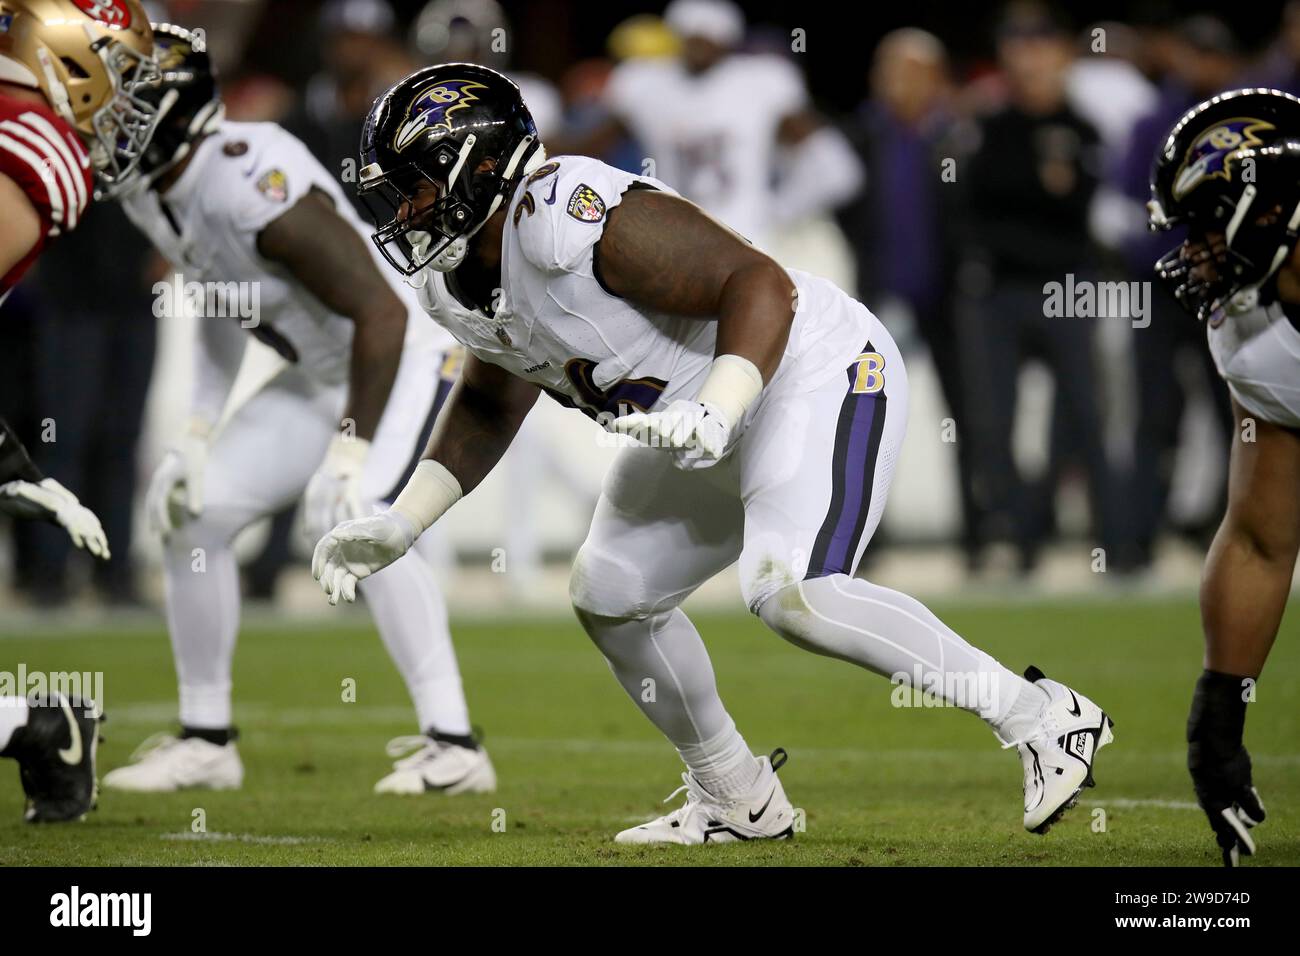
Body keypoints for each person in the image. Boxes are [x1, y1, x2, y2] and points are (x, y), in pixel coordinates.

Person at [313, 64, 1115, 844]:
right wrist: (405, 519)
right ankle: (736, 795)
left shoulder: (566, 214)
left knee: (794, 592)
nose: (405, 207)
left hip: (808, 367)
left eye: (415, 183)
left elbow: (759, 283)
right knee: (611, 594)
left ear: (482, 170)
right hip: (695, 416)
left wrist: (719, 404)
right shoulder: (454, 280)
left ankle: (1043, 717)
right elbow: (495, 394)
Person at [100, 25, 493, 797]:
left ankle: (455, 746)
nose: (107, 125)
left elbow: (381, 314)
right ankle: (207, 740)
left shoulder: (246, 175)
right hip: (327, 373)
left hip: (404, 353)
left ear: (172, 113)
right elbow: (220, 300)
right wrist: (198, 430)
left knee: (364, 516)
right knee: (196, 513)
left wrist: (350, 450)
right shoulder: (155, 192)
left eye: (127, 109)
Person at [0, 0, 161, 823]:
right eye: (116, 64)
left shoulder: (45, 147)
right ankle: (38, 723)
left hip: (114, 301)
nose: (124, 92)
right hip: (73, 304)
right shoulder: (35, 141)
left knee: (109, 428)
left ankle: (40, 723)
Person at [1148, 88, 1300, 866]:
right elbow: (1259, 541)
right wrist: (1222, 715)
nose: (1194, 251)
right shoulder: (1256, 338)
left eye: (1208, 226)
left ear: (1275, 211)